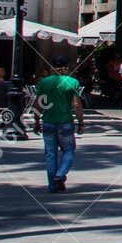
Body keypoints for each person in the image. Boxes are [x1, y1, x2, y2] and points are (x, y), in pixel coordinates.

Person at [35, 55, 83, 194]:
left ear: (52, 68)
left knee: (50, 154)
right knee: (68, 151)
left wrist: (37, 121)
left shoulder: (44, 82)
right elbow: (76, 105)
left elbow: (38, 103)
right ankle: (60, 175)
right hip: (66, 122)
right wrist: (81, 122)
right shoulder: (72, 82)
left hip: (48, 122)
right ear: (66, 68)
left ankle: (52, 185)